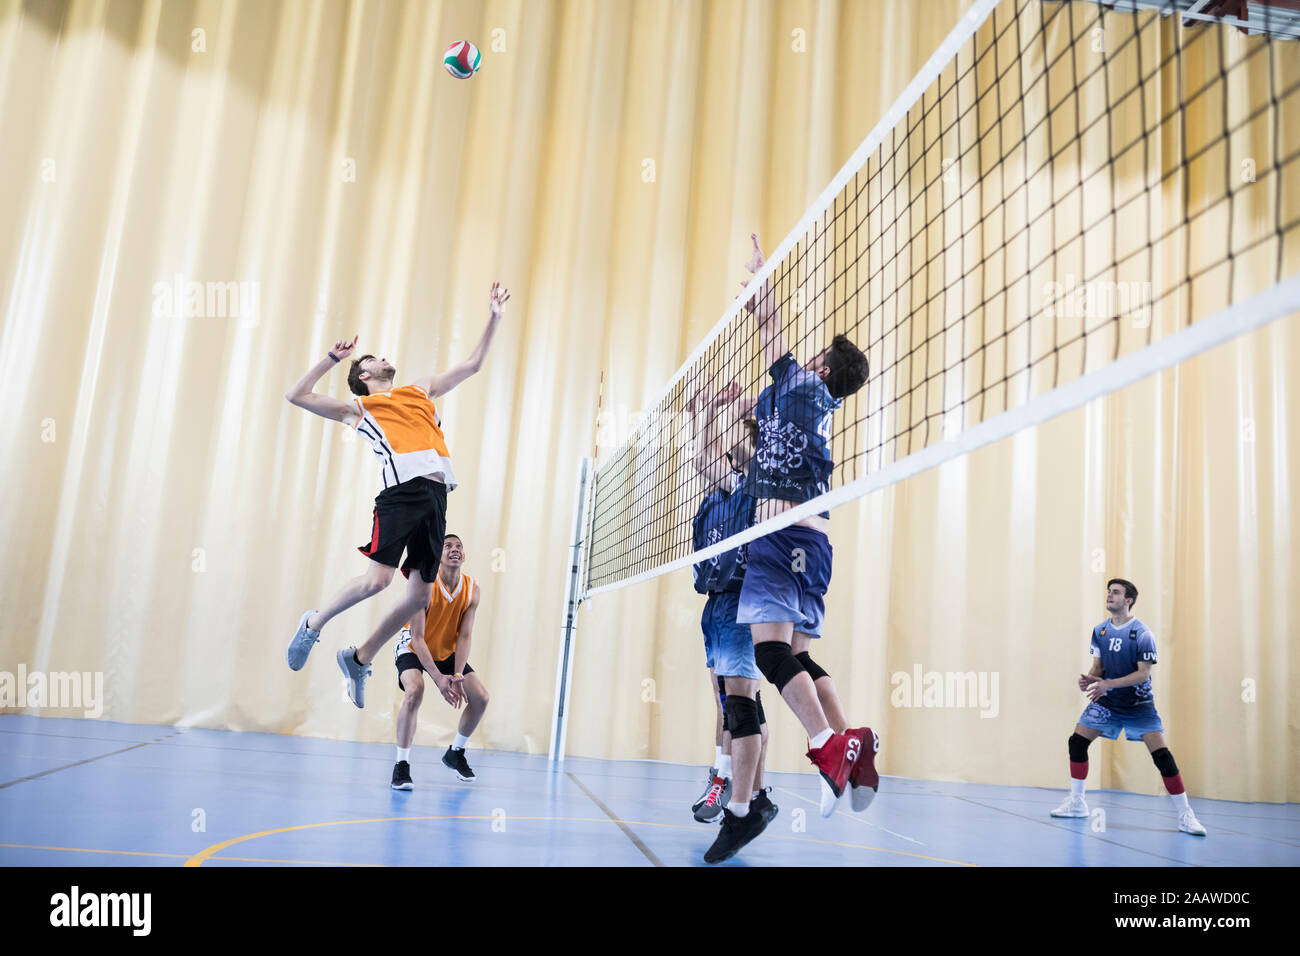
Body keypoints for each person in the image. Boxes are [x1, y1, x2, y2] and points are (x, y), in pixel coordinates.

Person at [284, 283, 509, 710]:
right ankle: (313, 624)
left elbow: (474, 364)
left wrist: (494, 318)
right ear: (365, 377)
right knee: (378, 580)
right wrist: (332, 359)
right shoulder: (359, 408)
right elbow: (296, 396)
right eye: (372, 360)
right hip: (401, 494)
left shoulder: (421, 389)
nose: (384, 358)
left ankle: (358, 657)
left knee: (418, 599)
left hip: (437, 495)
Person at [731, 233, 878, 828]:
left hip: (780, 535)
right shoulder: (816, 408)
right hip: (814, 542)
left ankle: (826, 745)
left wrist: (763, 289)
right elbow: (768, 447)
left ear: (821, 367)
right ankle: (852, 742)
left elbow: (772, 335)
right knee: (797, 658)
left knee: (767, 653)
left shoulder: (800, 385)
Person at [684, 384, 778, 851]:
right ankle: (739, 786)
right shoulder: (723, 488)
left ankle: (746, 798)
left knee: (741, 704)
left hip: (746, 601)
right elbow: (705, 455)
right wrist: (704, 410)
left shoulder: (757, 482)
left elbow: (736, 448)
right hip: (717, 602)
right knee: (727, 702)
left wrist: (727, 407)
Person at [1050, 578, 1207, 836]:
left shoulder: (1143, 634)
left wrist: (1107, 684)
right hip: (1108, 703)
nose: (1109, 596)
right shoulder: (1100, 630)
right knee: (1077, 742)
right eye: (1108, 592)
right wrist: (1090, 679)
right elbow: (1098, 669)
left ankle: (1185, 815)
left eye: (1115, 593)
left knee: (1162, 757)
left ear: (1129, 600)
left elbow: (1142, 675)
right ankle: (1077, 803)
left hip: (1138, 705)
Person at [390, 534, 489, 788]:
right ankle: (401, 766)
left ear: (463, 556)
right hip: (414, 645)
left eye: (459, 546)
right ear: (439, 555)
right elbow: (418, 637)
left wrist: (456, 676)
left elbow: (465, 636)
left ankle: (455, 753)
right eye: (448, 546)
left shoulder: (472, 589)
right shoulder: (425, 584)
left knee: (480, 697)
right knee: (415, 690)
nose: (454, 550)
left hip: (446, 650)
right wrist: (438, 679)